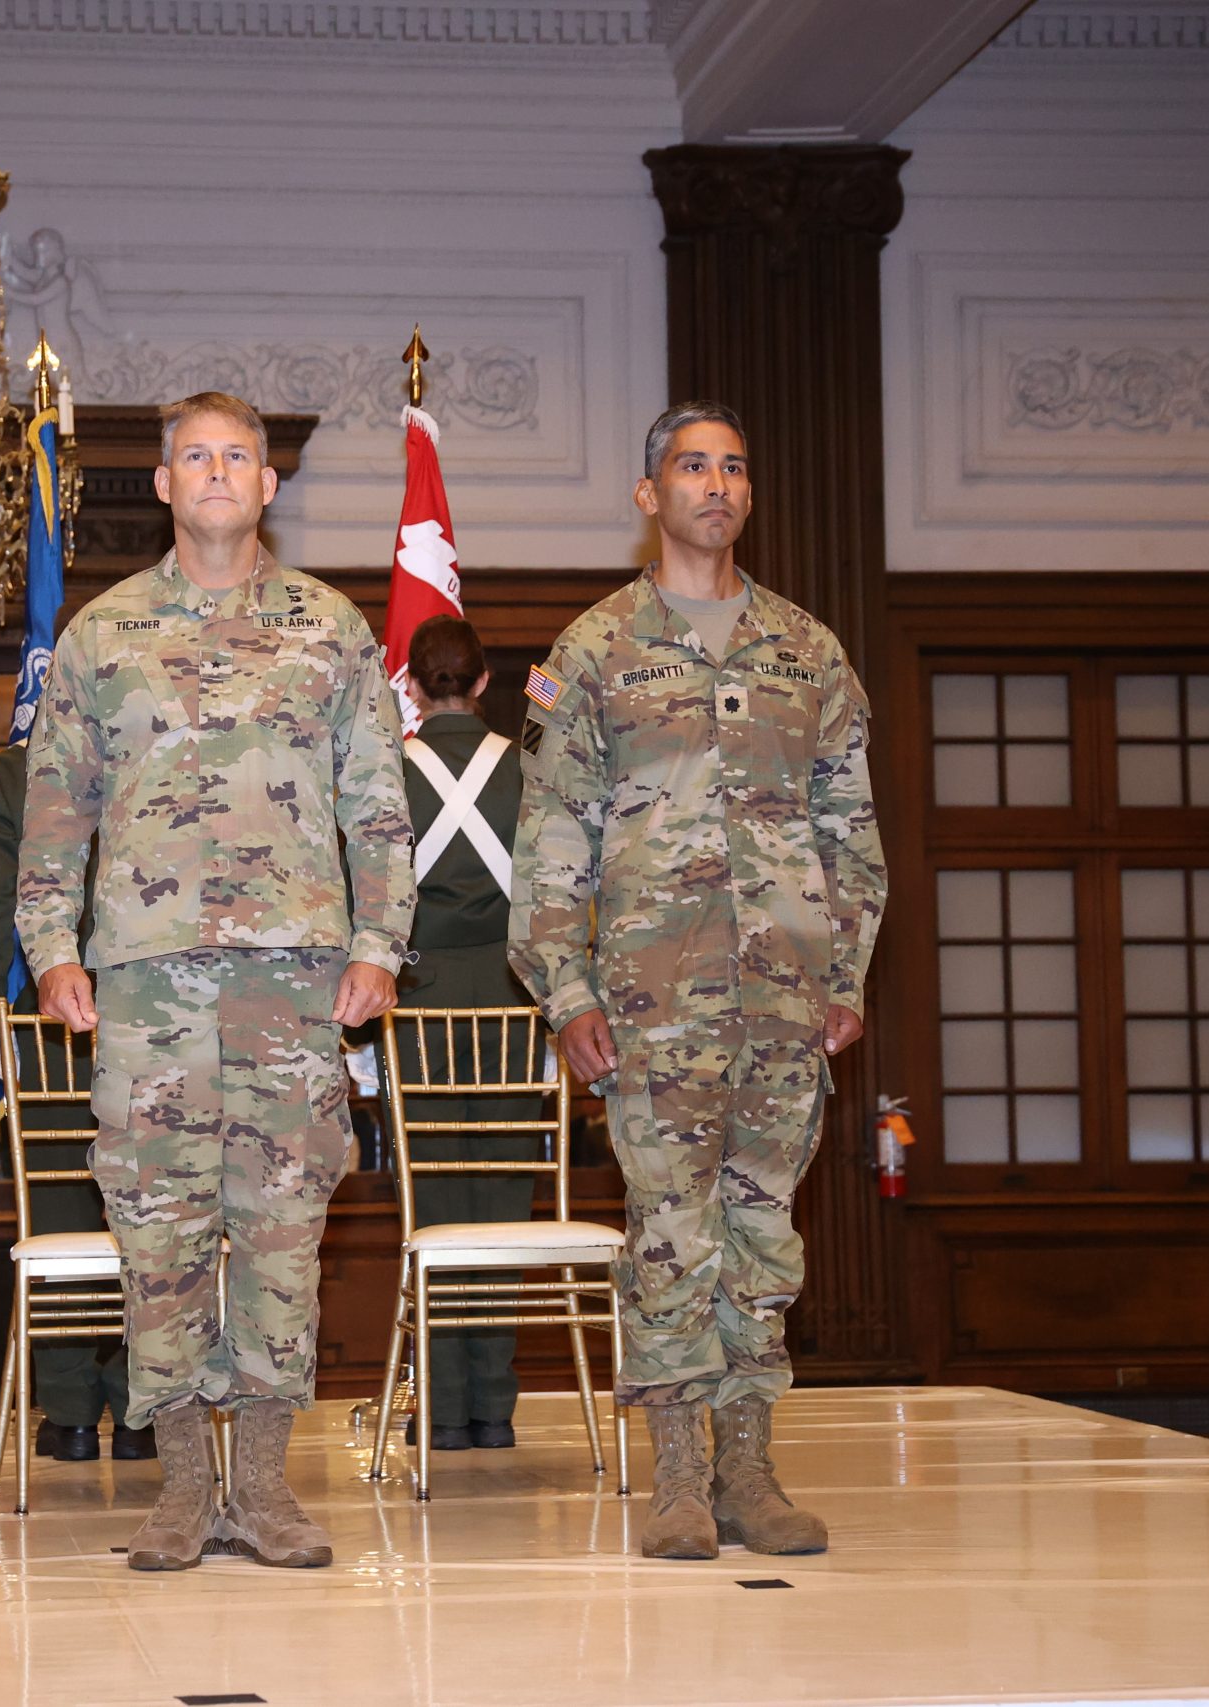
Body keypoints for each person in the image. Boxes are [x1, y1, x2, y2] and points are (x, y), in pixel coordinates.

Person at [16, 391, 414, 1572]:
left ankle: (270, 1489)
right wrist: (50, 946)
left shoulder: (331, 628)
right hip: (145, 983)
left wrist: (378, 947)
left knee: (286, 1232)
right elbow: (54, 813)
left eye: (238, 455)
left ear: (268, 483)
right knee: (160, 1233)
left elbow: (375, 807)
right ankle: (186, 1486)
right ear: (161, 483)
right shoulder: (101, 635)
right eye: (195, 455)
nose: (218, 472)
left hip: (298, 981)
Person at [508, 400, 886, 1561]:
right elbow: (552, 838)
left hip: (783, 995)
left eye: (732, 467)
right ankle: (674, 1479)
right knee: (669, 1229)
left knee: (761, 1228)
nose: (714, 485)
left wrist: (847, 969)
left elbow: (850, 828)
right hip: (647, 1002)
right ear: (648, 493)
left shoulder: (806, 650)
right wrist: (565, 994)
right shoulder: (594, 652)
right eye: (690, 466)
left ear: (747, 495)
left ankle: (750, 1472)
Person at [0, 742, 149, 1462]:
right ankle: (141, 1406)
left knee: (62, 1213)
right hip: (150, 1017)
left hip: (46, 1027)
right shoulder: (151, 747)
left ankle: (70, 1411)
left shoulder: (17, 770)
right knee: (155, 1216)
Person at [392, 613, 540, 1452]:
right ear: (484, 683)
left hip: (421, 1002)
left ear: (411, 685)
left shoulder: (389, 772)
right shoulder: (527, 768)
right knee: (504, 1201)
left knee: (437, 1202)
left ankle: (441, 1408)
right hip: (514, 1001)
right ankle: (493, 1408)